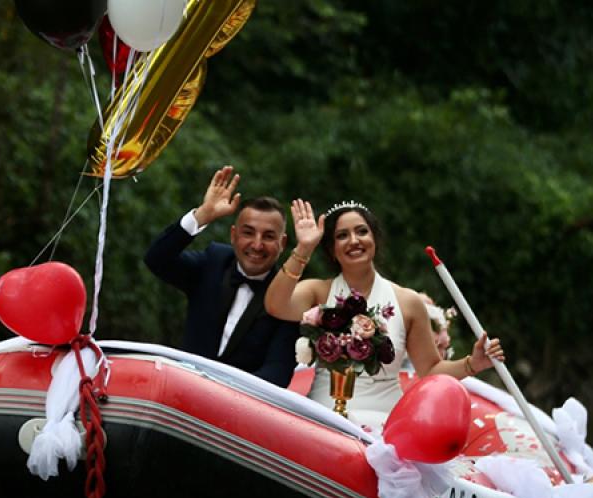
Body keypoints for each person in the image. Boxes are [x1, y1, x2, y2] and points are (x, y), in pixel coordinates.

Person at [264, 199, 505, 427]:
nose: (354, 240)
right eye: (342, 235)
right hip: (323, 418)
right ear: (331, 249)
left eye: (361, 231)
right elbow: (275, 305)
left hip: (383, 424)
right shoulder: (318, 291)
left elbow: (430, 370)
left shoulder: (407, 301)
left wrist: (472, 364)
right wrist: (304, 249)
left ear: (375, 238)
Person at [144, 166, 300, 387]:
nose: (257, 245)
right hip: (181, 390)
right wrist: (202, 214)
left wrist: (222, 394)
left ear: (282, 244)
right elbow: (156, 259)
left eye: (268, 236)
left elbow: (277, 373)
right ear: (233, 235)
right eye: (248, 232)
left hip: (239, 408)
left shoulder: (289, 298)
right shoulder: (213, 261)